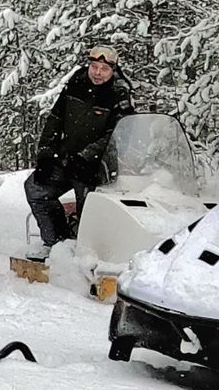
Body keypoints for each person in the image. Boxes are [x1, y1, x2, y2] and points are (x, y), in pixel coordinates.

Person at [24, 43, 135, 259]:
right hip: (66, 159)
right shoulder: (76, 84)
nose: (98, 73)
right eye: (94, 67)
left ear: (112, 70)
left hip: (97, 166)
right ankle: (57, 242)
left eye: (104, 69)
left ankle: (90, 254)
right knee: (36, 188)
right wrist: (46, 155)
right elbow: (54, 120)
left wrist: (88, 157)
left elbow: (120, 133)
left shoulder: (119, 93)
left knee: (89, 209)